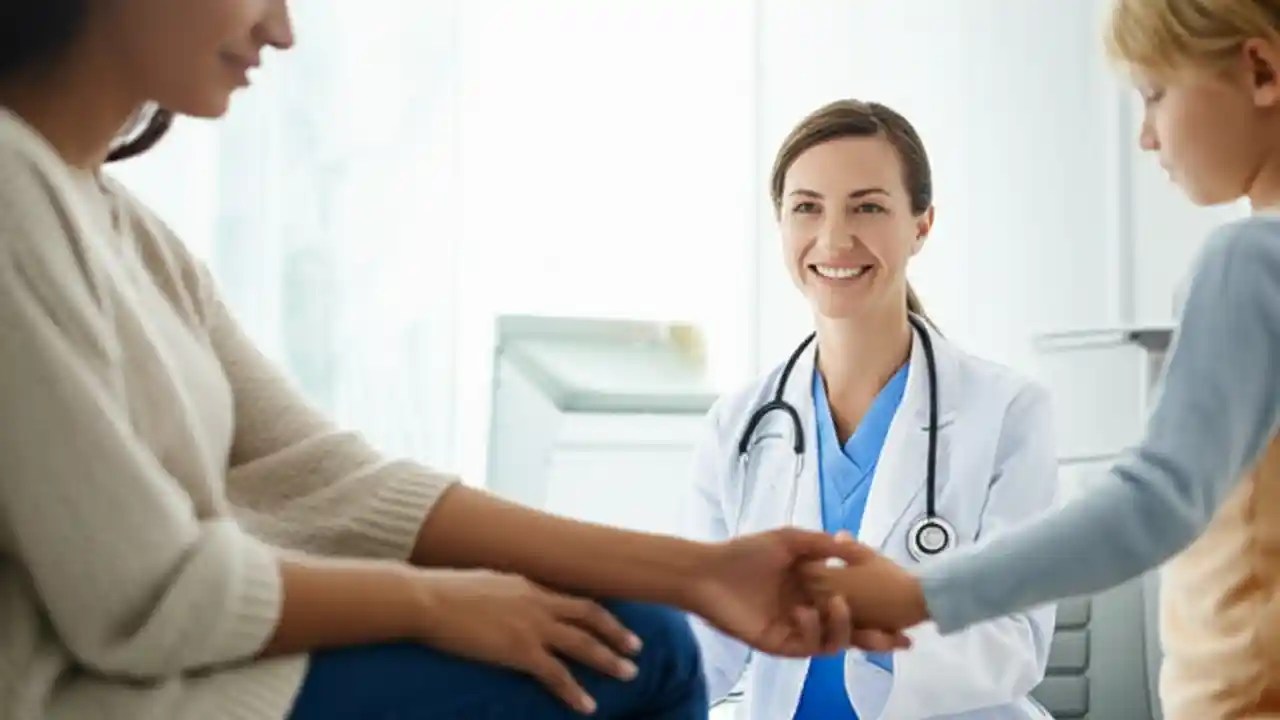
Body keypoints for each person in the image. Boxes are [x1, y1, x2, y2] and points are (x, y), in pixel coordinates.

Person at [0, 3, 905, 719]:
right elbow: (150, 597)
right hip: (98, 700)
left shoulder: (122, 229)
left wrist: (697, 572)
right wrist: (435, 603)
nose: (282, 29)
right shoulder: (11, 191)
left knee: (645, 634)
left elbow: (331, 480)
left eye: (868, 209)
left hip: (179, 674)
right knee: (642, 654)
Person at [803, 2, 1280, 718]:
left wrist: (915, 593)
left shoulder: (1250, 261)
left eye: (1155, 94)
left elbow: (1153, 503)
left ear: (1261, 70)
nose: (1147, 137)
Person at [684, 99, 1060, 720]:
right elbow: (704, 642)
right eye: (807, 207)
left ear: (921, 226)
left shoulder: (1008, 413)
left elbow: (1015, 643)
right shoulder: (738, 426)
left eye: (868, 207)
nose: (834, 238)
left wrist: (873, 617)